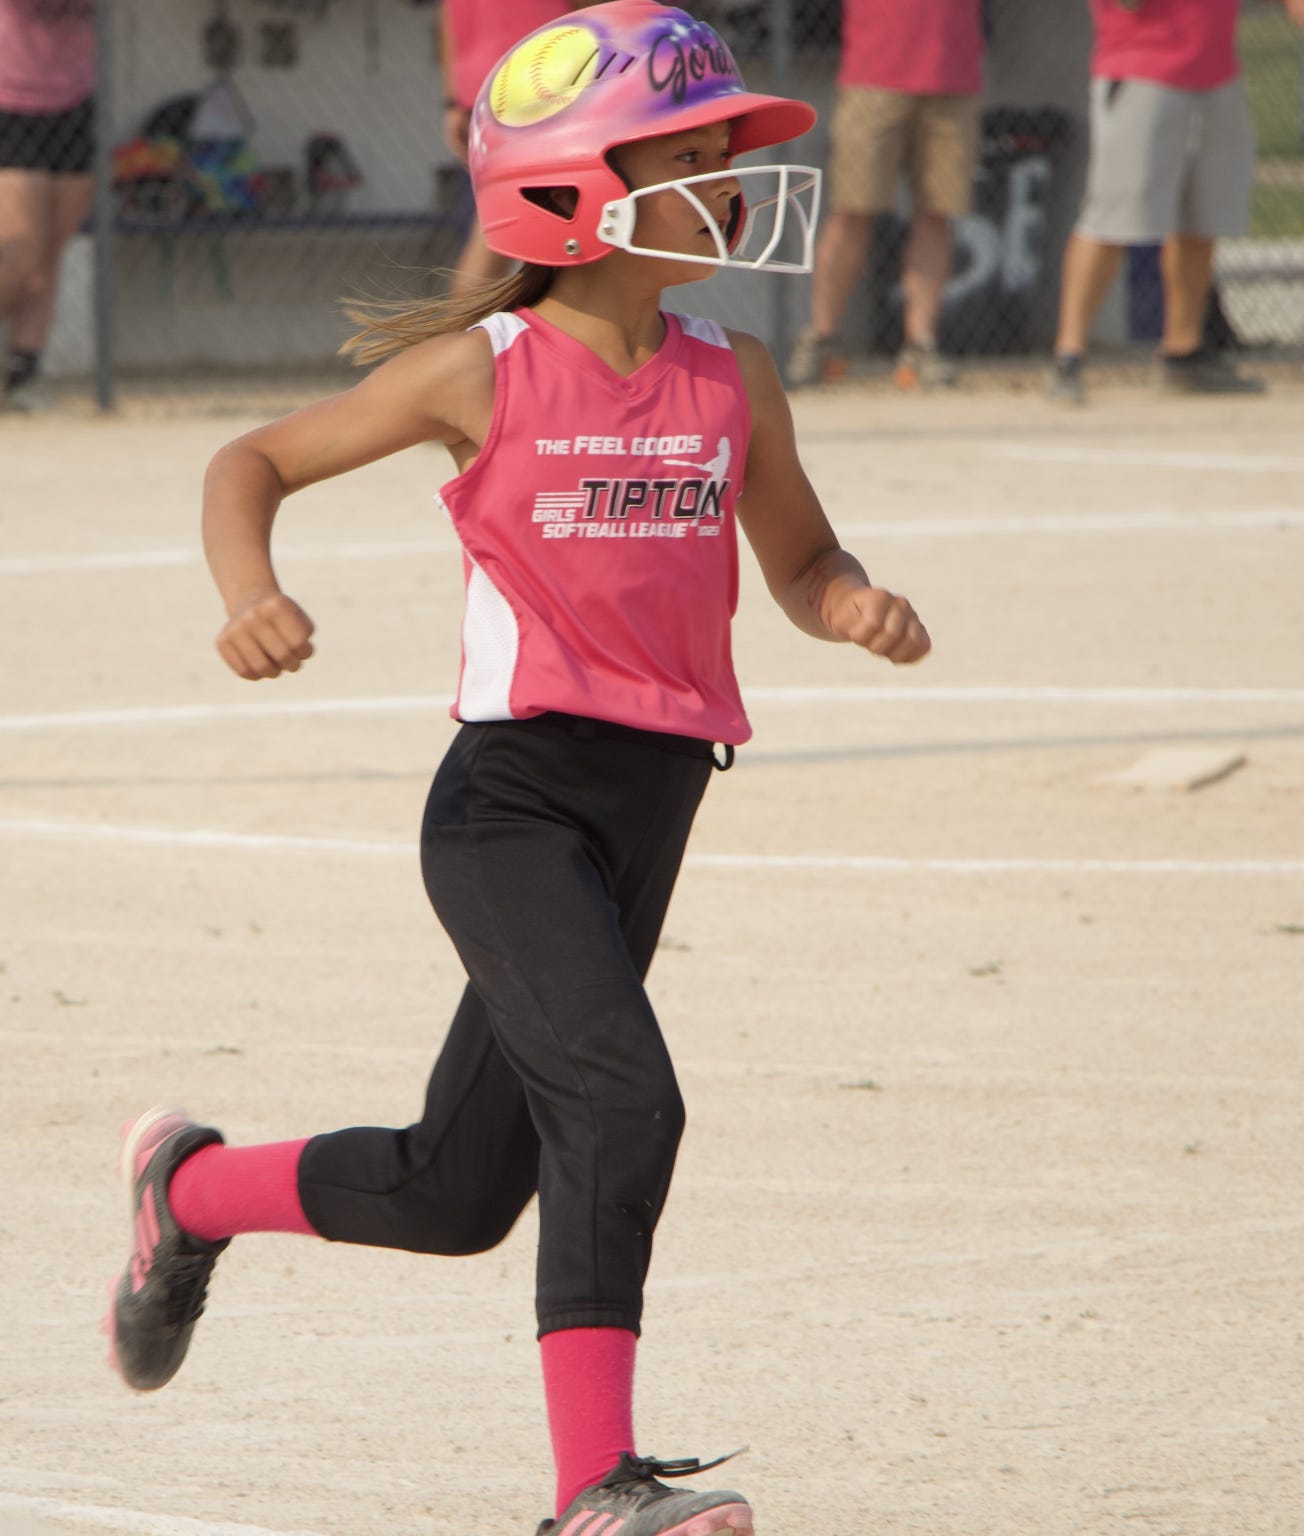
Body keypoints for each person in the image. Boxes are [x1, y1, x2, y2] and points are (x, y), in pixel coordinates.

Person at [102, 5, 929, 1534]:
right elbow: (252, 462)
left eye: (723, 157)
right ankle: (590, 1493)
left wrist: (848, 602)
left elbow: (802, 553)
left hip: (648, 814)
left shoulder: (734, 375)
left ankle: (191, 1194)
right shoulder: (483, 370)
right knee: (623, 1106)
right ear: (569, 192)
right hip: (511, 810)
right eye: (690, 159)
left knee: (454, 1191)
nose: (730, 189)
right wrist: (247, 593)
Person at [1046, 0, 1304, 404]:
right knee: (1111, 221)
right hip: (1142, 71)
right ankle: (1069, 355)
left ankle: (1183, 352)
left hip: (1217, 74)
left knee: (1201, 223)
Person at [787, 0, 986, 390]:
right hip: (873, 74)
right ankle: (823, 339)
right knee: (851, 210)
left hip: (953, 76)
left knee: (937, 214)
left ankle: (920, 346)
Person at [438, 0, 594, 295]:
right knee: (569, 212)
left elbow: (449, 14)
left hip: (482, 83)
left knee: (497, 219)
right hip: (547, 70)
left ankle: (467, 327)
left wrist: (453, 100)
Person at [0, 0, 96, 412]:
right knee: (20, 257)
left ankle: (23, 375)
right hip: (12, 102)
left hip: (76, 100)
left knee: (48, 256)